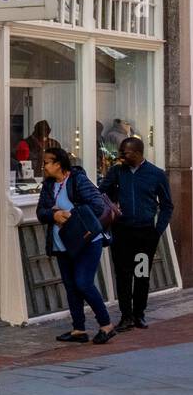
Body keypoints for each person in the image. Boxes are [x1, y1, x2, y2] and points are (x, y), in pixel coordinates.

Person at [36, 146, 116, 345]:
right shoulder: (48, 185)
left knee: (83, 283)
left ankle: (106, 325)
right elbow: (40, 212)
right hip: (62, 244)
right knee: (71, 287)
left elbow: (97, 205)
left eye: (46, 162)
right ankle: (78, 329)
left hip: (87, 241)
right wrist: (53, 214)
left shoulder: (78, 179)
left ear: (58, 164)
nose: (43, 166)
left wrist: (71, 214)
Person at [99, 136, 173, 330]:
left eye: (125, 152)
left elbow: (167, 205)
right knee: (123, 275)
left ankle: (139, 314)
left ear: (138, 153)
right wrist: (113, 204)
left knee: (141, 274)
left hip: (144, 235)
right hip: (122, 232)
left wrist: (158, 230)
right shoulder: (116, 172)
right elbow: (101, 193)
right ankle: (126, 316)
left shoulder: (156, 174)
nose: (121, 155)